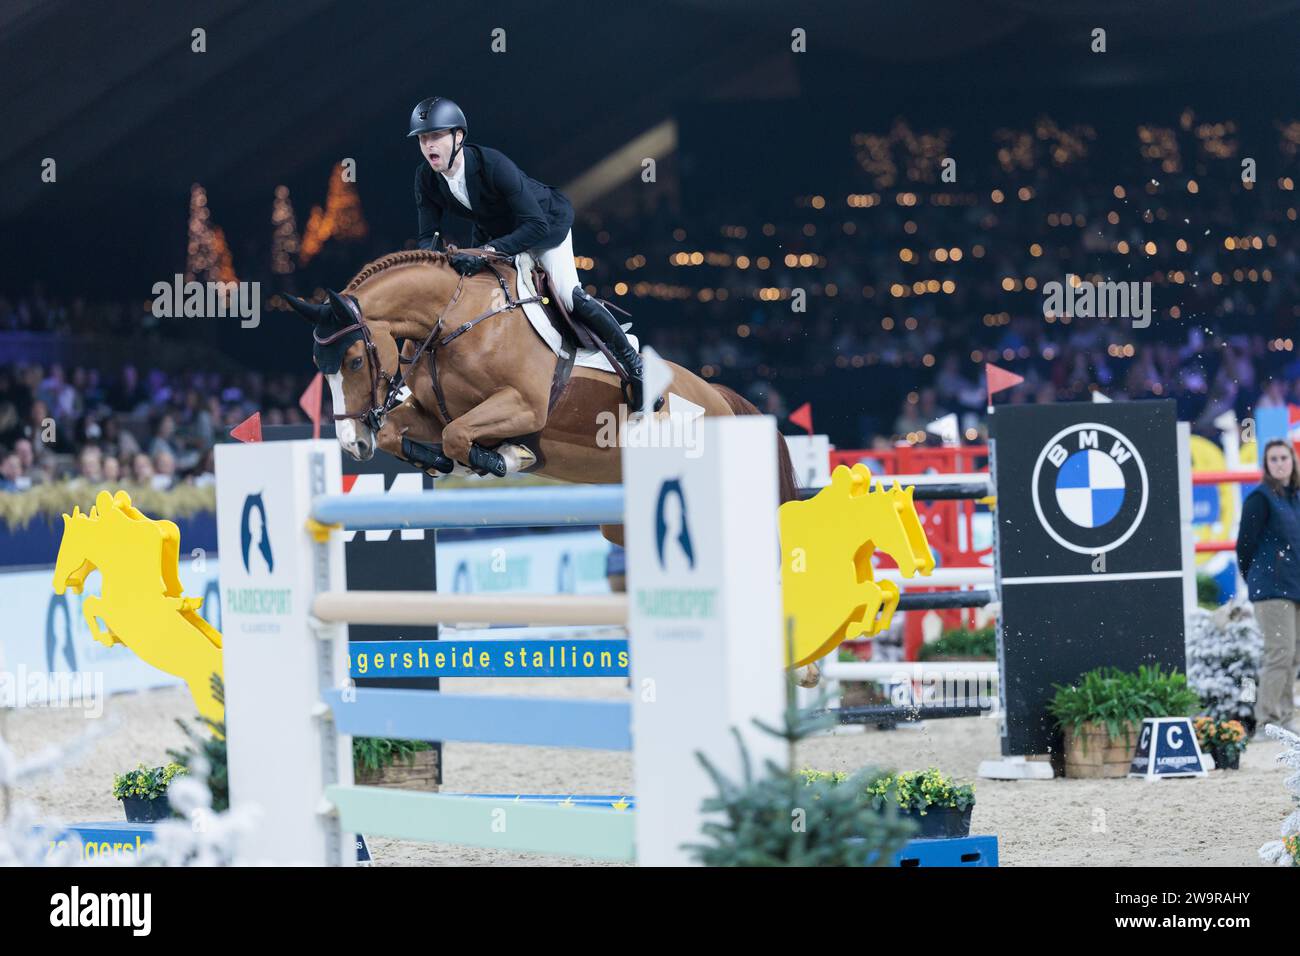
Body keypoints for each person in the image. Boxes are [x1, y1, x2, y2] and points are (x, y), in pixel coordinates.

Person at [409, 96, 648, 410]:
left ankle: (634, 363)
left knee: (565, 294)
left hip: (545, 225)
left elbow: (533, 225)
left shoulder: (493, 165)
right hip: (495, 233)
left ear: (459, 137)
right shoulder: (426, 178)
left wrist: (485, 253)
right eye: (424, 138)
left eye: (436, 136)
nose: (429, 145)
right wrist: (439, 266)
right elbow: (429, 237)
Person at [1236, 438, 1300, 734]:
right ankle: (1268, 720)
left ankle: (1285, 718)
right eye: (1273, 459)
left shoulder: (1294, 497)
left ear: (1292, 461)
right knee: (1280, 653)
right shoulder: (1260, 499)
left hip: (1294, 586)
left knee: (1294, 655)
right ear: (1266, 465)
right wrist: (1256, 578)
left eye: (1283, 458)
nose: (1279, 463)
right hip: (1272, 590)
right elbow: (1244, 546)